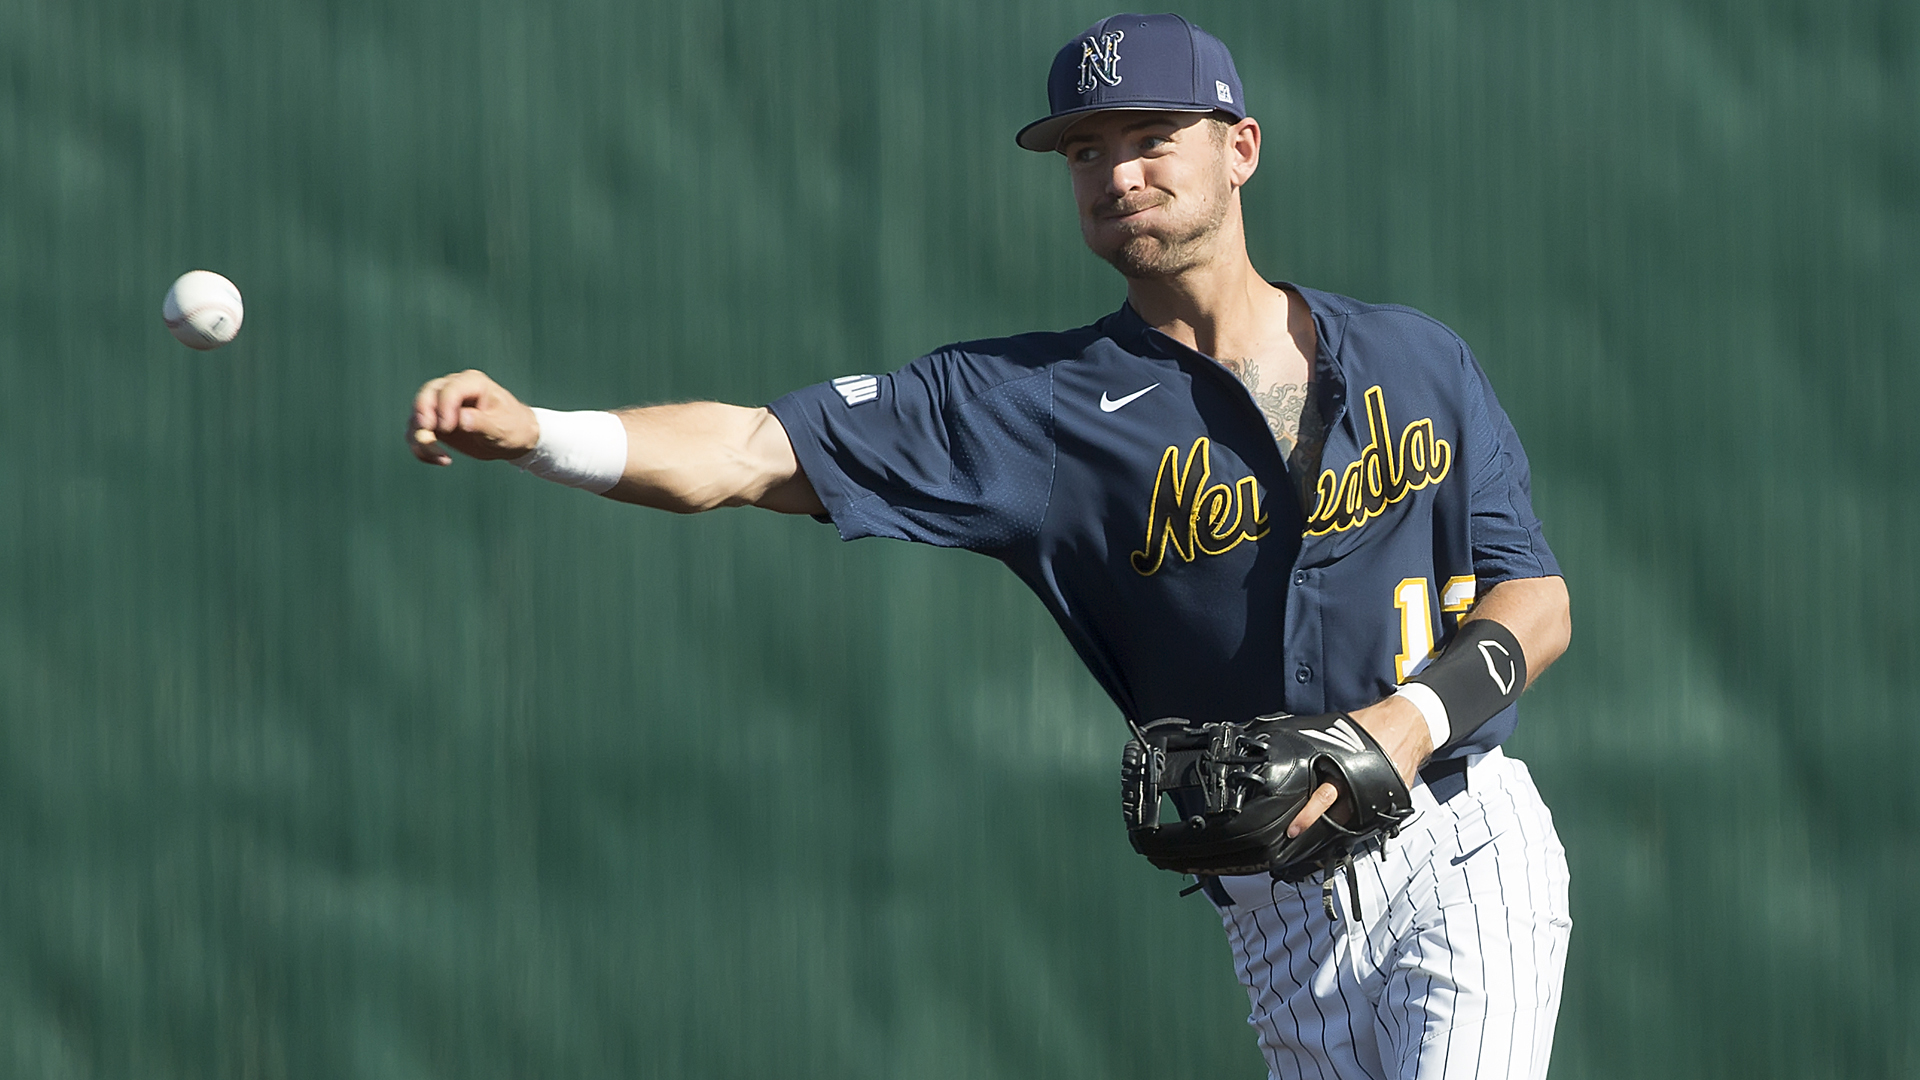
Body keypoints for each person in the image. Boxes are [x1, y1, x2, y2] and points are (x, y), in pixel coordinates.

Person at [407, 13, 1572, 1078]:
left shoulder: (1416, 357)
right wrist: (538, 435)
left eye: (1154, 135)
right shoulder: (1039, 407)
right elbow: (748, 451)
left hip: (1459, 854)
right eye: (1085, 151)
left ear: (1240, 147)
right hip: (1274, 923)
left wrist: (1406, 725)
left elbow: (1536, 599)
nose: (1121, 174)